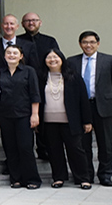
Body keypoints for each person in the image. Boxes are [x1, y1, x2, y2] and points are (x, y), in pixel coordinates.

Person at [67, 31, 112, 187]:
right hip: (81, 108)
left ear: (98, 43)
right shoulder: (72, 61)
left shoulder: (109, 60)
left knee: (105, 144)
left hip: (103, 106)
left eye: (91, 42)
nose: (88, 45)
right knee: (83, 145)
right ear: (80, 44)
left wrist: (105, 96)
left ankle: (105, 175)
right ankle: (86, 175)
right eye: (84, 42)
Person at [41, 49, 93, 190]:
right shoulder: (41, 77)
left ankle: (83, 178)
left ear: (62, 58)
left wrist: (87, 121)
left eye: (55, 57)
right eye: (49, 57)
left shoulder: (73, 76)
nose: (52, 59)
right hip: (49, 122)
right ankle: (58, 178)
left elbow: (83, 99)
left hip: (70, 121)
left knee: (76, 150)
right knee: (54, 151)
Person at [0, 45, 41, 189]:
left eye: (15, 53)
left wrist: (35, 114)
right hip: (5, 115)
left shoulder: (29, 71)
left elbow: (35, 94)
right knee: (10, 148)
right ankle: (16, 179)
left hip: (24, 115)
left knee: (25, 147)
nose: (11, 55)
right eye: (9, 53)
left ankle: (32, 179)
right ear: (4, 56)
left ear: (21, 56)